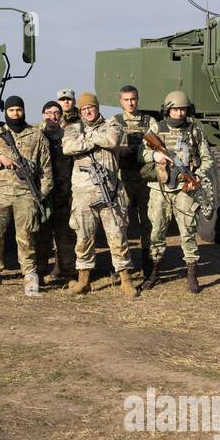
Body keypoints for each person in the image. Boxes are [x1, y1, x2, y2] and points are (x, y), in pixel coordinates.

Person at [61, 92, 136, 297]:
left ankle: (125, 279)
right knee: (83, 237)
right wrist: (95, 140)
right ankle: (83, 280)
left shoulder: (112, 124)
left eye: (91, 108)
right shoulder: (72, 128)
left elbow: (113, 141)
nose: (88, 111)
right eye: (84, 109)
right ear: (80, 111)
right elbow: (68, 147)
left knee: (118, 235)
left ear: (97, 108)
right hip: (83, 193)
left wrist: (88, 139)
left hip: (111, 191)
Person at [140, 90, 214, 295]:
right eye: (175, 109)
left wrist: (197, 176)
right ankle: (154, 272)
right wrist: (155, 155)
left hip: (185, 188)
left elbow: (207, 159)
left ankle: (192, 274)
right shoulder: (157, 128)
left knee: (188, 231)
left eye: (183, 109)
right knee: (157, 230)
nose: (180, 113)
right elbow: (142, 153)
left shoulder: (194, 131)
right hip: (159, 188)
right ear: (167, 109)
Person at [0, 96, 53, 294]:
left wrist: (40, 196)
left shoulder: (36, 136)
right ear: (6, 113)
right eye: (11, 110)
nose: (15, 114)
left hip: (26, 195)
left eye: (19, 110)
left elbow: (46, 171)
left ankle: (29, 274)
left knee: (26, 236)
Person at [113, 85, 159, 275]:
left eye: (133, 99)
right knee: (120, 222)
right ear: (120, 101)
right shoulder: (114, 122)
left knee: (148, 222)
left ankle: (148, 263)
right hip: (123, 178)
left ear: (138, 99)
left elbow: (159, 145)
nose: (130, 103)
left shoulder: (150, 121)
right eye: (126, 99)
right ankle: (122, 265)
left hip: (145, 179)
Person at [35, 100, 77, 284]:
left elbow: (76, 166)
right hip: (42, 196)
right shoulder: (36, 137)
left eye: (56, 113)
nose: (52, 116)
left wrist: (73, 194)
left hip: (63, 195)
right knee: (41, 237)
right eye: (48, 113)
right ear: (43, 115)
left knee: (66, 237)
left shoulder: (68, 138)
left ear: (61, 116)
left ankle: (69, 274)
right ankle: (39, 274)